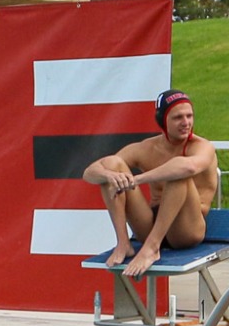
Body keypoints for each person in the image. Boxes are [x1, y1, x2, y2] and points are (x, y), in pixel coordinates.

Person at [83, 90, 220, 280]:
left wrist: (137, 179)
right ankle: (123, 243)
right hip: (150, 225)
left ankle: (152, 248)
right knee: (112, 166)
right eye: (178, 117)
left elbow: (188, 167)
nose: (186, 122)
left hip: (186, 229)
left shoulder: (202, 147)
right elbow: (89, 173)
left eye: (189, 116)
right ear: (162, 120)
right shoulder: (147, 148)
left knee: (178, 173)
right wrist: (109, 175)